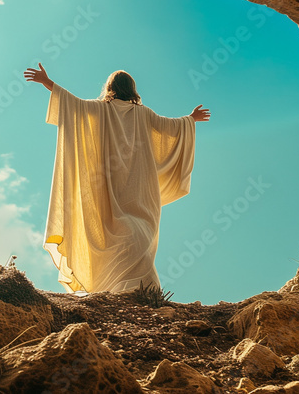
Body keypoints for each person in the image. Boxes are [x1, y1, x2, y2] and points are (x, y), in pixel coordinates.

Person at [23, 63, 210, 294]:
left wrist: (47, 82)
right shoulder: (106, 110)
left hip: (135, 191)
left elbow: (73, 105)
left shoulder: (140, 114)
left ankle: (142, 291)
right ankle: (121, 290)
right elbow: (172, 127)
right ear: (132, 89)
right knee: (126, 236)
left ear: (110, 87)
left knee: (137, 235)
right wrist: (191, 119)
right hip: (119, 189)